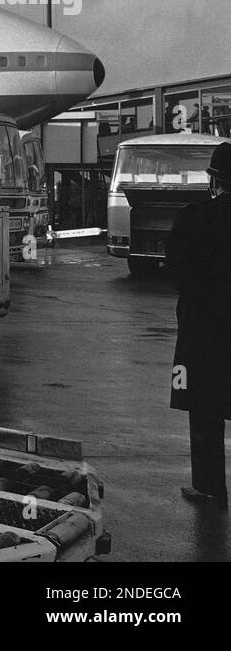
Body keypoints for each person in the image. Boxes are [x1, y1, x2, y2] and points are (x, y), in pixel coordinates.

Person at [166, 140, 231, 507]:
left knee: (204, 409)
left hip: (204, 331)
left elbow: (176, 270)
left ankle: (209, 487)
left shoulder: (193, 217)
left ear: (214, 181)